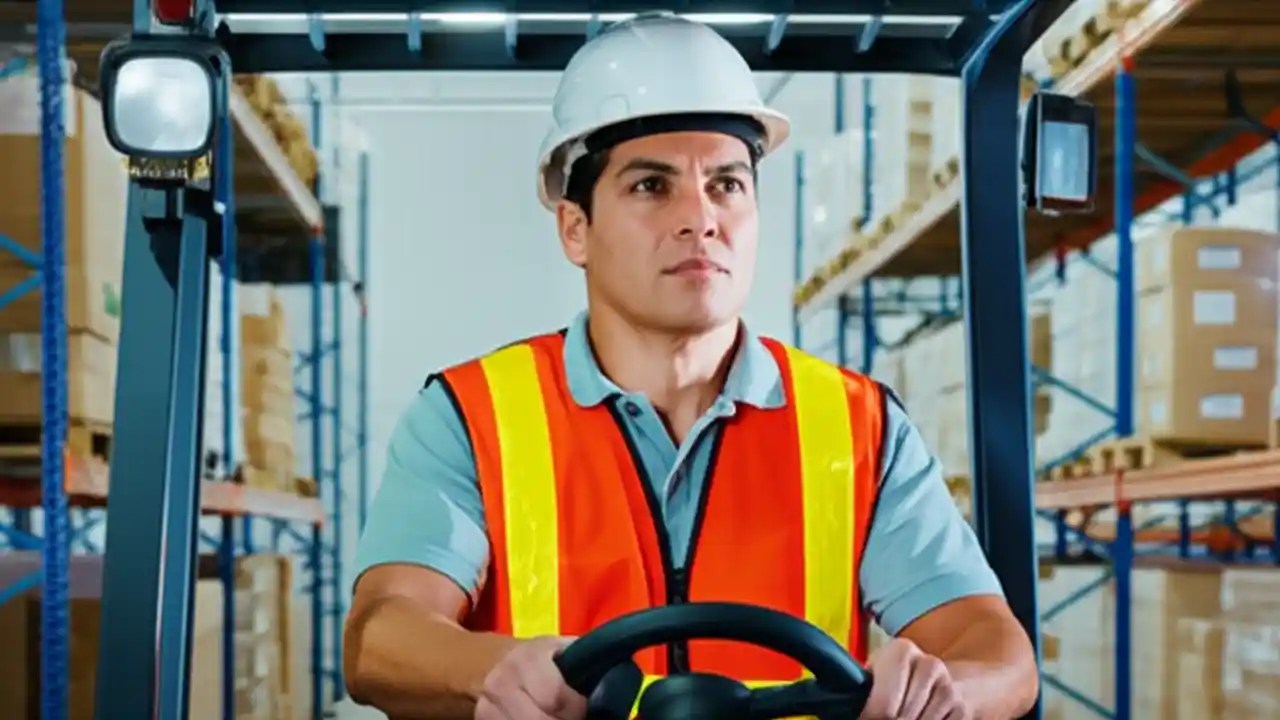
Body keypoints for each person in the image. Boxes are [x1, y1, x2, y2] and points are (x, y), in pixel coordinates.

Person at [343, 13, 1038, 720]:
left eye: (728, 185)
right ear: (575, 228)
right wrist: (492, 668)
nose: (700, 218)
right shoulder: (471, 417)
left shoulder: (859, 427)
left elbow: (998, 653)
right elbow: (380, 637)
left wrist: (939, 691)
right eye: (652, 186)